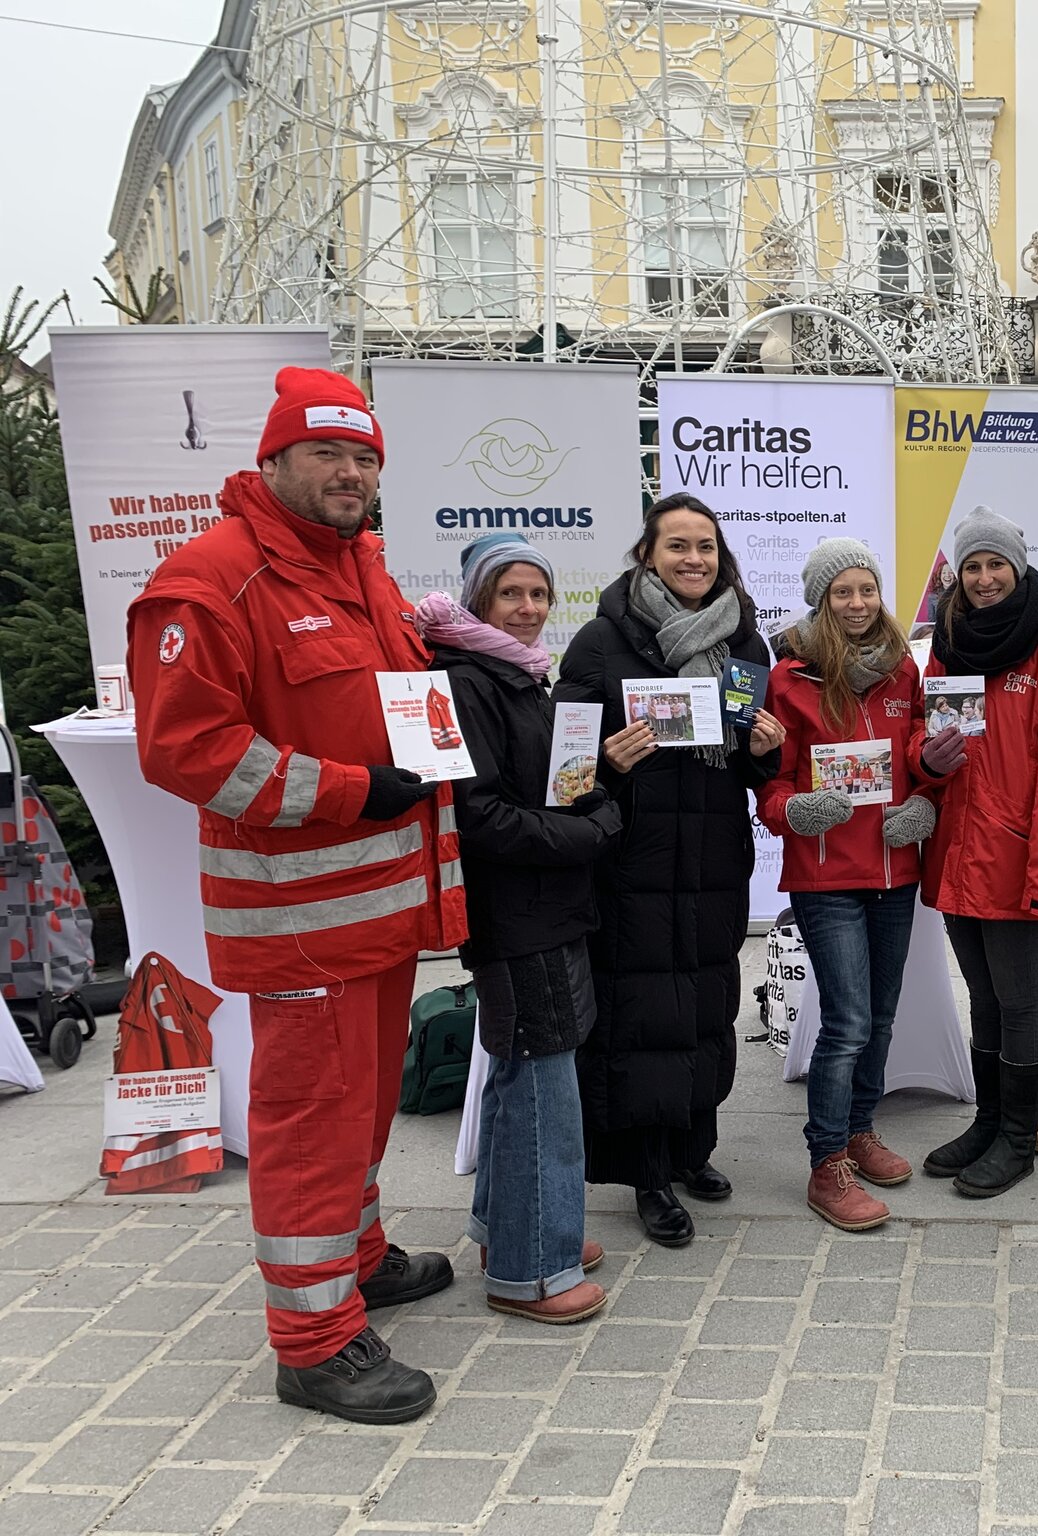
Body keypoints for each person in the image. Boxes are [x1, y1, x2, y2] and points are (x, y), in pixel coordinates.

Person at [127, 367, 464, 1423]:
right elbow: (185, 750)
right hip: (301, 922)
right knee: (312, 1118)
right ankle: (314, 1344)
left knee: (361, 1105)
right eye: (326, 453)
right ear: (272, 460)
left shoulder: (360, 566)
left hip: (379, 911)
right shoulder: (212, 579)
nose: (350, 473)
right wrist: (352, 789)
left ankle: (356, 1260)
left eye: (365, 456)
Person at [558, 493, 786, 1248]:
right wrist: (607, 764)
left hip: (716, 858)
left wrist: (766, 753)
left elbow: (750, 764)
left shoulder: (745, 641)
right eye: (678, 546)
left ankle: (692, 1149)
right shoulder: (603, 641)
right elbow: (562, 768)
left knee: (705, 1008)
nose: (694, 559)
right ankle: (647, 1174)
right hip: (634, 864)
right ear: (647, 555)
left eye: (706, 547)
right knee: (641, 1018)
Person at [419, 535, 619, 1323]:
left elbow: (552, 788)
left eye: (539, 594)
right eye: (511, 594)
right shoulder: (467, 680)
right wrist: (591, 832)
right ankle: (533, 1272)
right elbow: (481, 817)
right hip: (516, 913)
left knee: (515, 1077)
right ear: (479, 600)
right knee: (544, 1092)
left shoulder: (520, 675)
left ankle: (507, 1232)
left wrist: (596, 792)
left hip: (547, 905)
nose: (529, 608)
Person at [914, 509, 1038, 1198]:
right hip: (960, 854)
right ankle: (989, 1123)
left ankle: (1017, 1142)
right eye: (973, 566)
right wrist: (925, 756)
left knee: (1021, 1004)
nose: (985, 578)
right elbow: (924, 736)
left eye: (996, 564)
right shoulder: (949, 642)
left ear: (1018, 569)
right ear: (958, 575)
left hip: (1021, 863)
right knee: (984, 1000)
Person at [757, 539, 936, 1231]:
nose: (858, 604)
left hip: (894, 869)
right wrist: (794, 811)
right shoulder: (790, 678)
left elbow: (920, 751)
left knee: (881, 1017)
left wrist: (925, 802)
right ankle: (826, 1160)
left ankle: (860, 1129)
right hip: (826, 877)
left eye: (867, 590)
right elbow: (771, 784)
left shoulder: (902, 668)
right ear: (821, 599)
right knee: (848, 1022)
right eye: (843, 593)